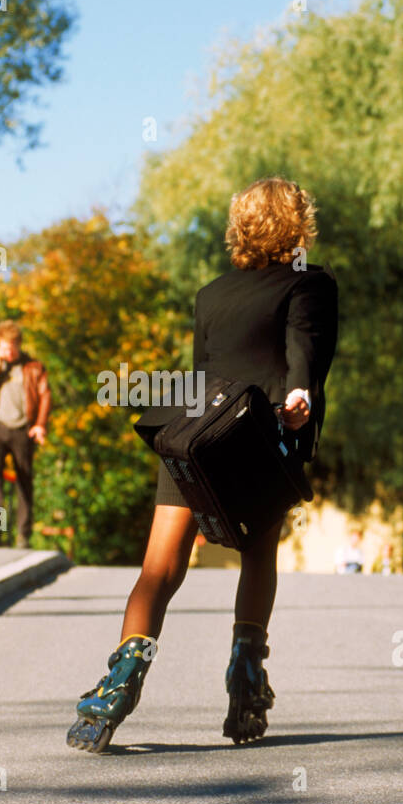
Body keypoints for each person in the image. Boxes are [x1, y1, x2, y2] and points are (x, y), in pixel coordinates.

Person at [66, 177, 338, 754]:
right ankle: (245, 675)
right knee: (257, 555)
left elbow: (203, 375)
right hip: (257, 441)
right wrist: (300, 399)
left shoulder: (211, 294)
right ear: (297, 224)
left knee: (159, 571)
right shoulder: (310, 282)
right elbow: (305, 351)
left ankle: (117, 685)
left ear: (240, 227)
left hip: (195, 438)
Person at [0, 320, 50, 548]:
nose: (9, 352)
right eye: (4, 347)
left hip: (23, 429)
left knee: (24, 480)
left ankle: (23, 535)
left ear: (19, 345)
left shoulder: (34, 367)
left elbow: (45, 395)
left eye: (12, 347)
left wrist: (40, 424)